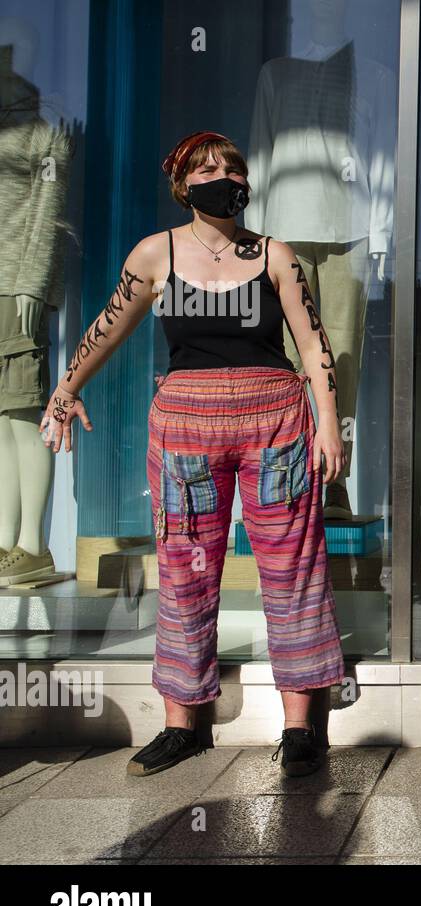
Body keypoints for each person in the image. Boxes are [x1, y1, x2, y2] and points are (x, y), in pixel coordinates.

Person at [40, 131, 348, 778]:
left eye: (232, 167)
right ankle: (182, 724)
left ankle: (300, 726)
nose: (223, 175)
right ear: (182, 184)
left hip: (276, 421)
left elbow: (313, 342)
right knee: (185, 567)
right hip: (185, 423)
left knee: (292, 565)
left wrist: (328, 423)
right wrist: (66, 390)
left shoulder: (274, 256)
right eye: (208, 167)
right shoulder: (158, 253)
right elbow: (108, 325)